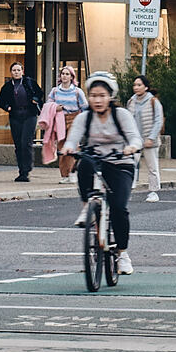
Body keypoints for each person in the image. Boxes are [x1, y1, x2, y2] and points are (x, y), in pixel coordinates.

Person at [67, 72, 143, 275]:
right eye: (93, 95)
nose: (97, 100)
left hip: (121, 163)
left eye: (102, 95)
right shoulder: (85, 117)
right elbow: (72, 138)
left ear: (110, 96)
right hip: (97, 161)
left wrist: (131, 148)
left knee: (118, 208)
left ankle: (122, 253)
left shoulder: (122, 115)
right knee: (83, 163)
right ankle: (87, 207)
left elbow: (136, 138)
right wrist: (68, 147)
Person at [0, 61, 44, 183]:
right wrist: (7, 107)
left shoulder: (29, 82)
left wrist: (35, 99)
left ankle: (27, 170)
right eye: (14, 70)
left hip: (30, 115)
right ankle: (21, 171)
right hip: (15, 116)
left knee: (26, 142)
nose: (16, 72)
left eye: (18, 70)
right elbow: (0, 100)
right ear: (11, 73)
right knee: (18, 144)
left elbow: (40, 93)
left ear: (22, 71)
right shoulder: (7, 86)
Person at [124, 74, 164, 201]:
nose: (136, 87)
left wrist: (151, 138)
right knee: (130, 165)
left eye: (139, 85)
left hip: (148, 140)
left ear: (146, 87)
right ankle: (128, 190)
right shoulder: (131, 101)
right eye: (134, 85)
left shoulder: (153, 101)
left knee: (152, 167)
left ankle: (153, 191)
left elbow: (158, 121)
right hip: (134, 140)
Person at [46, 65, 86, 183]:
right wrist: (55, 108)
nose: (64, 76)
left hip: (74, 118)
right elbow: (48, 105)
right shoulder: (55, 91)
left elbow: (85, 107)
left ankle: (73, 173)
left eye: (67, 74)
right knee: (62, 147)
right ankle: (64, 175)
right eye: (63, 73)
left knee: (73, 146)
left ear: (72, 77)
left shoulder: (78, 92)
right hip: (60, 120)